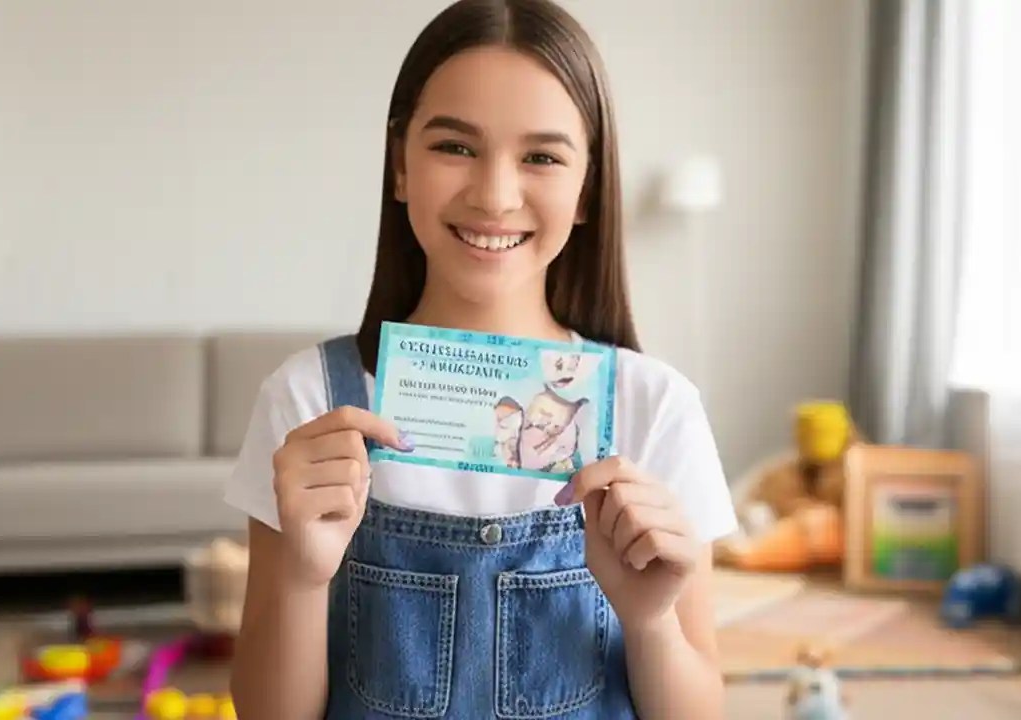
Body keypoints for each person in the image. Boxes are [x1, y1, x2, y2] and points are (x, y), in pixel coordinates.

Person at [224, 0, 738, 717]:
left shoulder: (657, 408)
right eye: (455, 147)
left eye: (542, 157)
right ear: (399, 165)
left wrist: (651, 620)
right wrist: (305, 581)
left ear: (587, 188)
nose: (495, 194)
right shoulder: (307, 399)